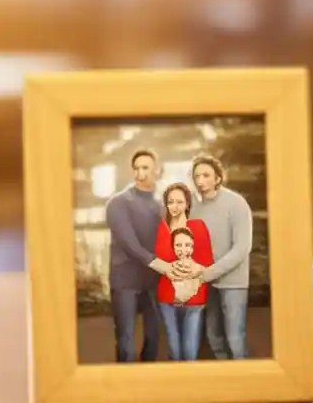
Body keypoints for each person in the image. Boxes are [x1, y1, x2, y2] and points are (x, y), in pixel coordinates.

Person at [176, 153, 252, 359]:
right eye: (196, 176)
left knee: (235, 338)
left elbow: (242, 247)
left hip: (233, 283)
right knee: (213, 336)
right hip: (205, 283)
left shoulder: (236, 203)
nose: (200, 181)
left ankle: (247, 385)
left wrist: (208, 272)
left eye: (206, 175)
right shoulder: (194, 207)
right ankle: (227, 385)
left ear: (218, 178)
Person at [104, 148, 177, 362]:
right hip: (125, 280)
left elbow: (171, 240)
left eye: (145, 168)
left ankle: (147, 386)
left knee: (154, 338)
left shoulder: (162, 205)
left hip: (154, 281)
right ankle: (124, 388)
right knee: (126, 339)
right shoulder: (118, 203)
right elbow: (129, 243)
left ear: (158, 171)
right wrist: (157, 263)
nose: (140, 172)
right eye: (136, 168)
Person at [154, 183, 213, 361]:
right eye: (170, 202)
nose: (175, 206)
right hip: (167, 297)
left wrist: (193, 271)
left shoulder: (198, 226)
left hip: (194, 298)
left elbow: (208, 262)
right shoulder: (161, 229)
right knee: (174, 350)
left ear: (187, 204)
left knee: (190, 351)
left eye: (179, 202)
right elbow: (156, 260)